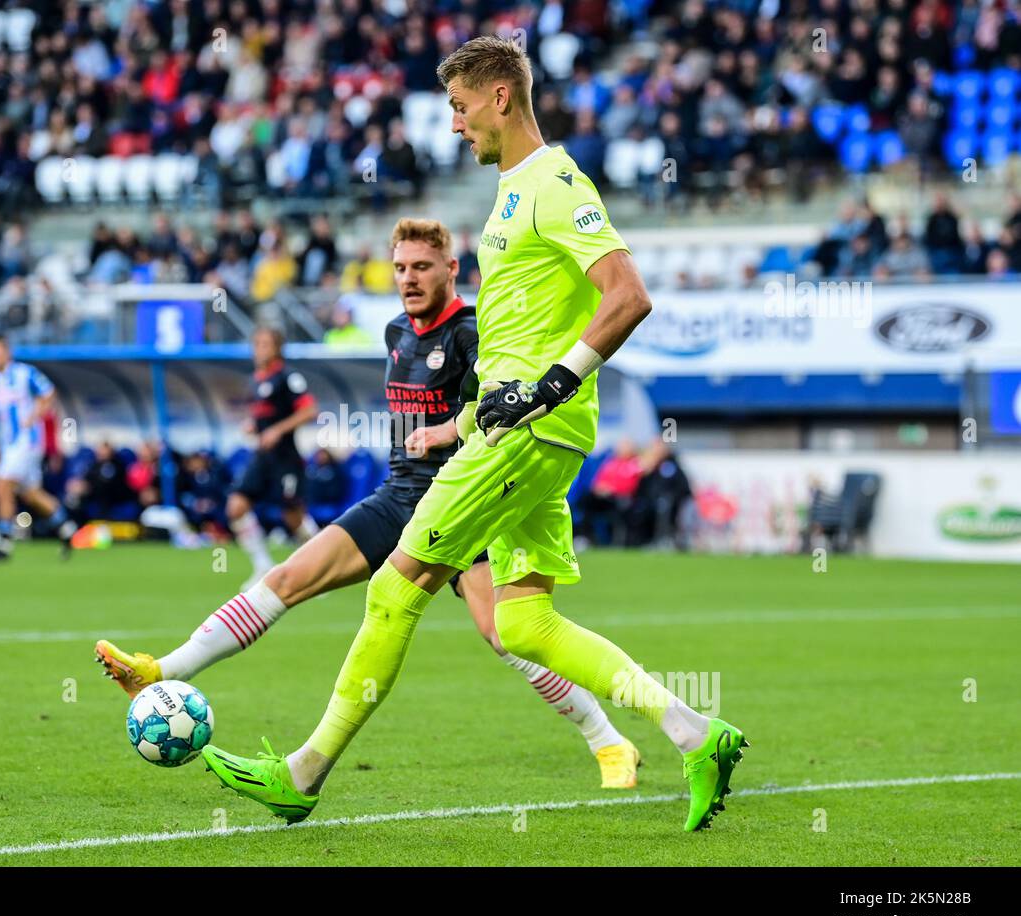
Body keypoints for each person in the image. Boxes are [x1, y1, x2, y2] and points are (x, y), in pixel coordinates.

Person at [199, 37, 745, 833]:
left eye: (459, 107)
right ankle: (697, 733)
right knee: (524, 622)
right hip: (526, 430)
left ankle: (302, 774)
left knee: (393, 589)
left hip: (525, 432)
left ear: (498, 97)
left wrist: (552, 384)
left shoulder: (556, 183)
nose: (454, 126)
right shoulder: (513, 192)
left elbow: (627, 295)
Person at [96, 218, 641, 789]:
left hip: (463, 499)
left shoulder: (472, 335)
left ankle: (609, 742)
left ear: (452, 270)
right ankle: (160, 669)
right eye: (401, 267)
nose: (409, 278)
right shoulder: (394, 333)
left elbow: (495, 409)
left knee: (506, 634)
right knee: (287, 578)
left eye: (423, 267)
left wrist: (448, 433)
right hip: (398, 496)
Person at [225, 326, 321, 588]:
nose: (259, 349)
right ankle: (262, 565)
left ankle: (321, 568)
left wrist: (278, 430)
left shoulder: (288, 378)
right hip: (262, 456)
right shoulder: (255, 380)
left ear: (277, 348)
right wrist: (253, 426)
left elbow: (310, 410)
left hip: (286, 458)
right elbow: (263, 415)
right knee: (235, 507)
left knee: (293, 516)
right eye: (256, 344)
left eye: (265, 344)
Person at [0, 335, 77, 561]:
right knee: (31, 494)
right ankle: (67, 528)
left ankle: (4, 545)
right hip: (9, 443)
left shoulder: (24, 373)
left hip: (27, 441)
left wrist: (35, 415)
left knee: (1, 485)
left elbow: (49, 393)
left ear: (7, 352)